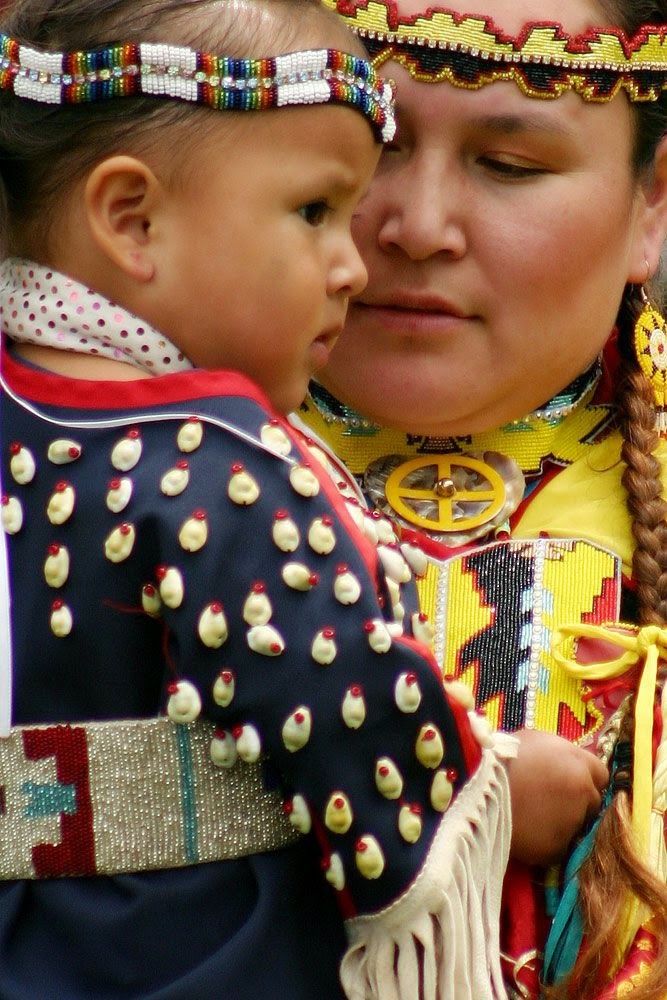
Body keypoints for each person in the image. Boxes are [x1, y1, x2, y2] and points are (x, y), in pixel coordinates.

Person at [0, 1, 546, 997]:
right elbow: (349, 715)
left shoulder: (24, 414)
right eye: (313, 212)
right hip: (206, 955)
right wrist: (500, 785)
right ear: (131, 218)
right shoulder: (218, 462)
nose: (352, 263)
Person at [297, 0, 667, 997]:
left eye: (507, 166)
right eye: (370, 143)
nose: (416, 226)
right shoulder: (79, 481)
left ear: (654, 204)